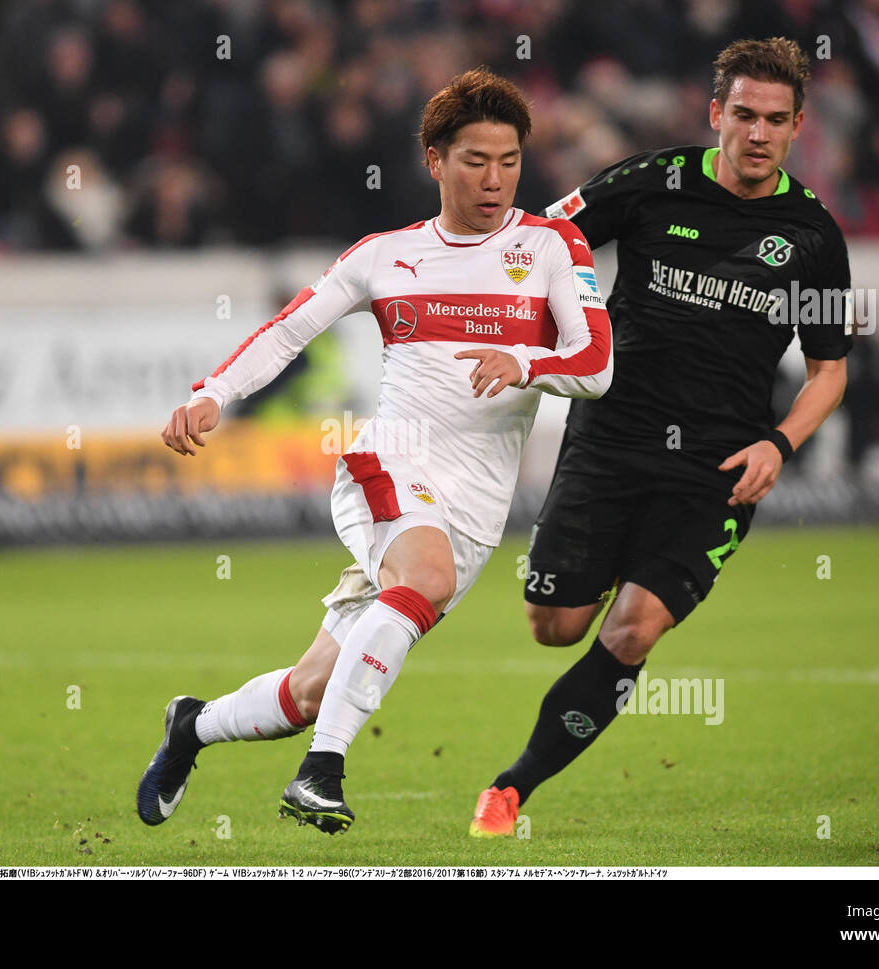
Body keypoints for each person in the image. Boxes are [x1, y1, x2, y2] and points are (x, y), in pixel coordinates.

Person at [139, 68, 614, 834]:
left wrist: (525, 362)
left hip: (475, 506)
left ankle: (190, 726)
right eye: (474, 161)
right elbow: (291, 328)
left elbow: (597, 363)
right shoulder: (385, 256)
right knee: (420, 575)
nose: (494, 180)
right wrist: (212, 394)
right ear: (434, 160)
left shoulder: (553, 244)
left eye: (509, 161)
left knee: (308, 692)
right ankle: (321, 774)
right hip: (389, 463)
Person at [467, 37, 854, 837]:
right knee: (556, 625)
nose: (757, 133)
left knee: (633, 627)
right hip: (611, 435)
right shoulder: (651, 184)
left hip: (719, 464)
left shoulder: (813, 236)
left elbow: (828, 372)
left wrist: (778, 445)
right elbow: (541, 241)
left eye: (775, 120)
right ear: (716, 113)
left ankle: (510, 790)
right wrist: (532, 339)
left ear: (796, 127)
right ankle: (602, 569)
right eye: (743, 114)